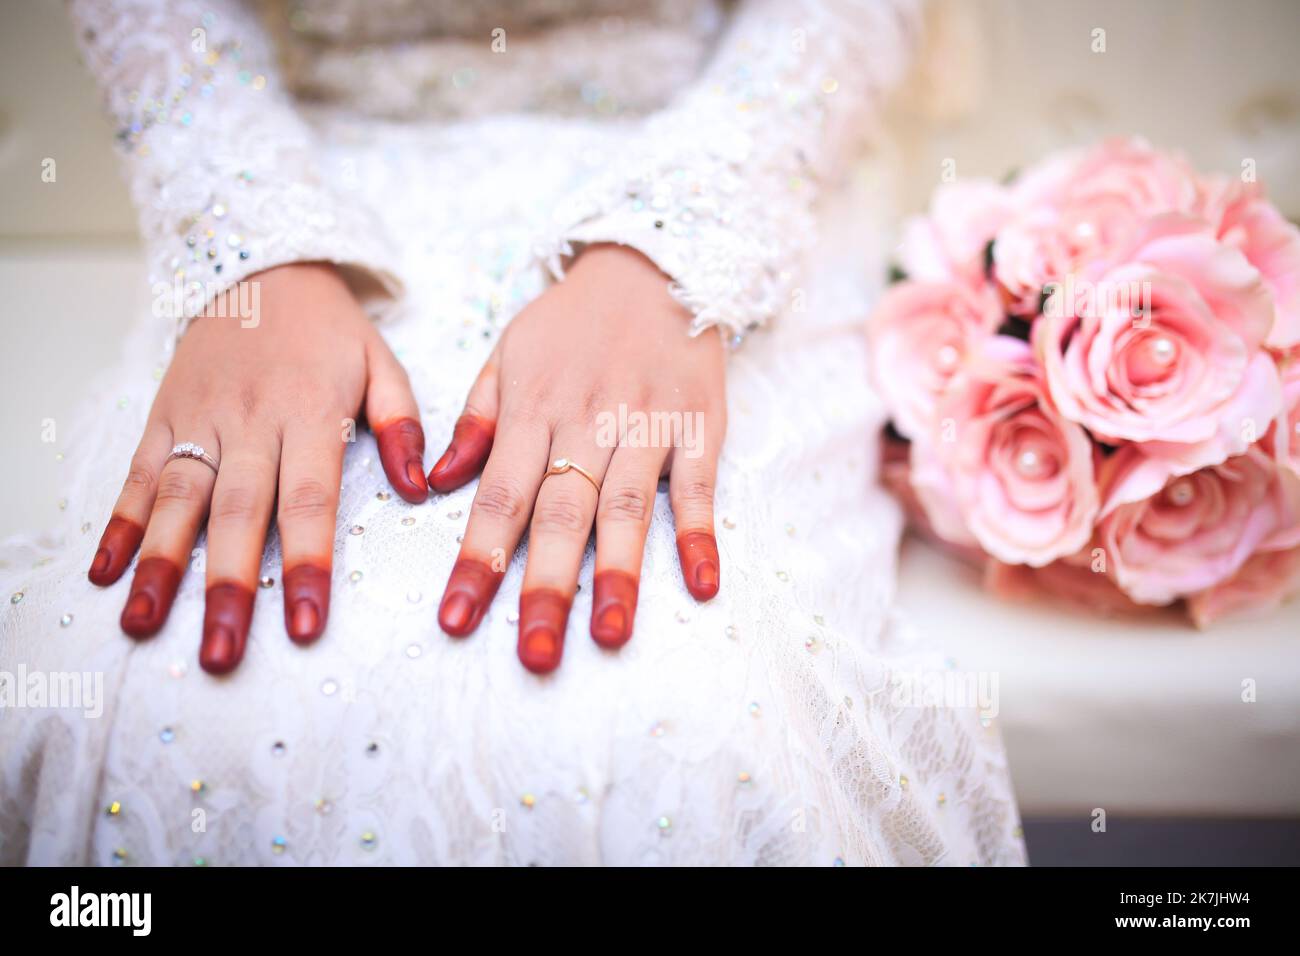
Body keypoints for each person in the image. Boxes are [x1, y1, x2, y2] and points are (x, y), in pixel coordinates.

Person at [0, 0, 1024, 865]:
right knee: (138, 693)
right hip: (296, 173)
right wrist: (250, 248)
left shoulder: (713, 199)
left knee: (686, 716)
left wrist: (680, 247)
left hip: (732, 147)